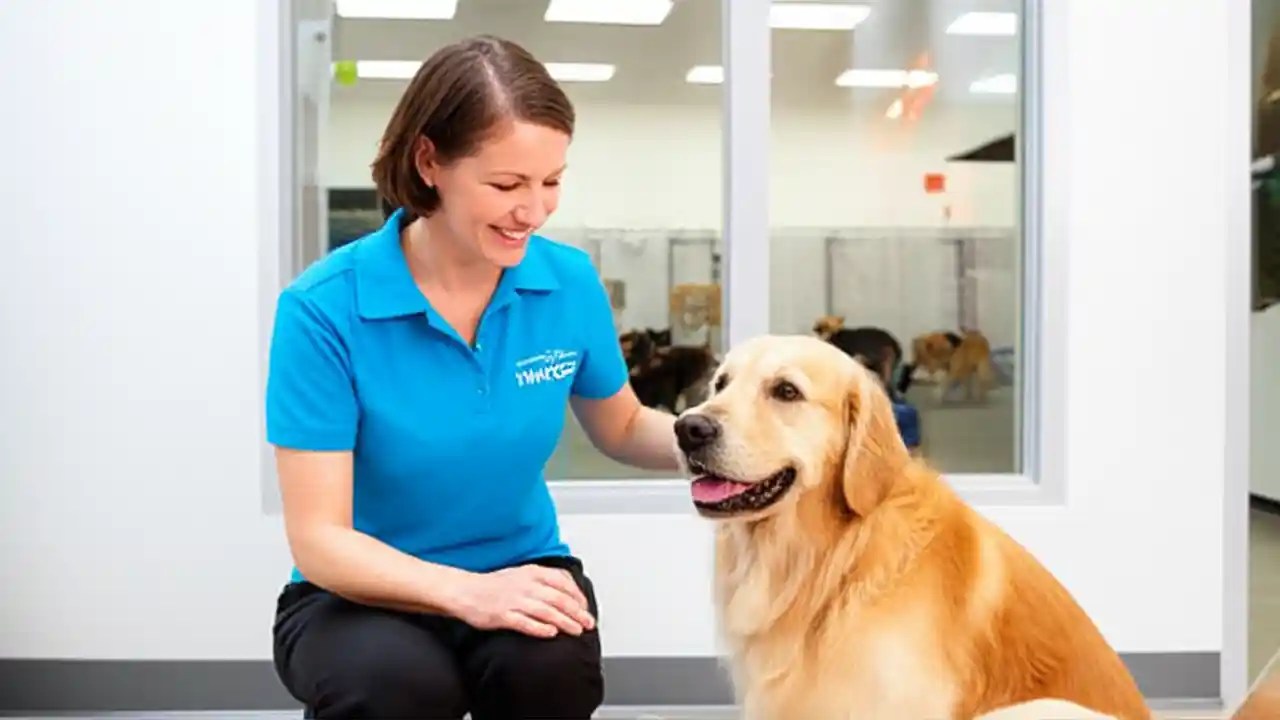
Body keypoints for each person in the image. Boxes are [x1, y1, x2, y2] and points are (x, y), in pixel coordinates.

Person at [264, 35, 681, 720]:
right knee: (396, 688)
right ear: (429, 161)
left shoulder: (567, 282)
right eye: (506, 184)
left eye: (552, 181)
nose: (535, 210)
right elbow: (321, 540)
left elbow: (626, 426)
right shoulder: (323, 309)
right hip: (356, 594)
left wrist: (728, 446)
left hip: (519, 565)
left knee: (550, 673)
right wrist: (466, 593)